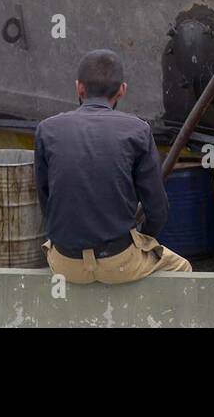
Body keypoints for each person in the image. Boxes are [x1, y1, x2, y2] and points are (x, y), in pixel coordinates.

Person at [34, 49, 191, 284]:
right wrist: (143, 238)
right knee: (183, 268)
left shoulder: (47, 129)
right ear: (122, 90)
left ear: (79, 88)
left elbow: (46, 200)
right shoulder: (137, 131)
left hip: (65, 263)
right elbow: (157, 208)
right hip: (119, 262)